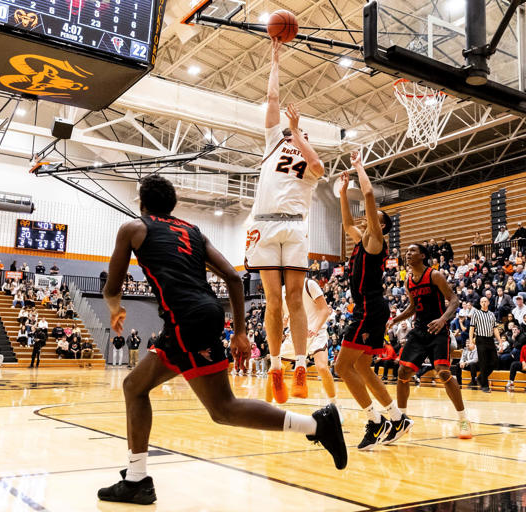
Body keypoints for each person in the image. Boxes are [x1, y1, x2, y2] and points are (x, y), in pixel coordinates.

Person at [97, 174, 346, 506]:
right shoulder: (192, 231)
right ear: (172, 205)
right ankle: (137, 478)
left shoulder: (134, 229)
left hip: (187, 320)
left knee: (223, 409)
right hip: (198, 317)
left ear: (142, 202)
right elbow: (232, 276)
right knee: (134, 386)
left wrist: (115, 308)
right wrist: (240, 332)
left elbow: (112, 287)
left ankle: (317, 425)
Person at [243, 39, 325, 405]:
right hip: (263, 225)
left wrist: (300, 132)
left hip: (294, 227)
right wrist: (275, 61)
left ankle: (301, 366)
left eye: (301, 134)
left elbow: (320, 168)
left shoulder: (308, 159)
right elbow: (273, 101)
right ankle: (276, 366)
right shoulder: (274, 141)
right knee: (272, 301)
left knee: (295, 298)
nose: (295, 133)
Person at [336, 151, 403, 450]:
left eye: (374, 216)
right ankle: (396, 417)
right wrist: (340, 192)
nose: (367, 216)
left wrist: (359, 167)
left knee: (341, 367)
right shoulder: (361, 240)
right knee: (362, 367)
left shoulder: (375, 239)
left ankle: (375, 422)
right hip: (370, 308)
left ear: (382, 225)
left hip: (369, 308)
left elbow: (367, 195)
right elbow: (347, 220)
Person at [389, 244, 472, 441]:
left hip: (438, 330)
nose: (408, 254)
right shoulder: (409, 280)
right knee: (402, 372)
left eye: (412, 251)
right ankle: (401, 420)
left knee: (443, 372)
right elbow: (412, 308)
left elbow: (454, 300)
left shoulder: (434, 275)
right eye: (407, 252)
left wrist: (443, 319)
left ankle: (463, 419)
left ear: (423, 255)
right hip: (419, 331)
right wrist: (394, 320)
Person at [278, 277, 338, 409]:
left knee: (322, 367)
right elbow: (284, 320)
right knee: (277, 368)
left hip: (316, 331)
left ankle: (335, 405)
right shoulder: (282, 291)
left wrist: (315, 328)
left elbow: (324, 310)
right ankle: (273, 402)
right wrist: (284, 322)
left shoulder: (309, 284)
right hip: (296, 335)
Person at [469, 296, 501, 393]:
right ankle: (485, 386)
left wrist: (500, 341)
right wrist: (471, 341)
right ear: (480, 303)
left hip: (490, 339)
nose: (483, 303)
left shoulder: (492, 314)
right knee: (483, 363)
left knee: (495, 362)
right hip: (480, 339)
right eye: (482, 301)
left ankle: (481, 377)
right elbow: (471, 328)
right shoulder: (476, 313)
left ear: (488, 303)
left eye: (485, 301)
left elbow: (495, 328)